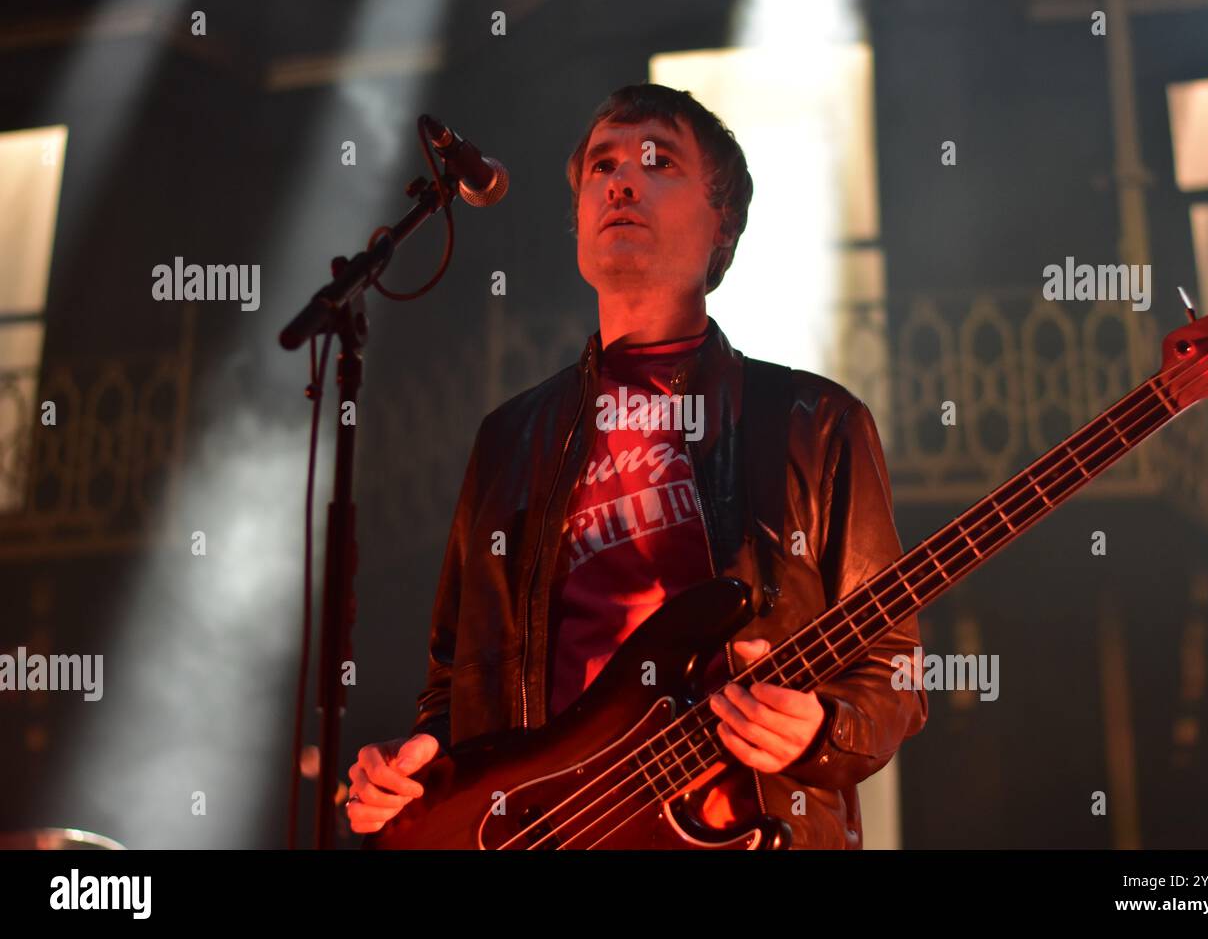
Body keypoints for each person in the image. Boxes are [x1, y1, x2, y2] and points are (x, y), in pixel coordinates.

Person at [346, 82, 927, 849]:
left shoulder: (813, 424)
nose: (621, 180)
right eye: (601, 165)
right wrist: (409, 780)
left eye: (659, 162)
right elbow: (453, 690)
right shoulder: (509, 440)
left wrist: (822, 728)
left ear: (723, 224)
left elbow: (897, 670)